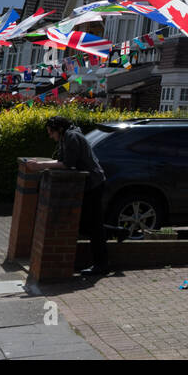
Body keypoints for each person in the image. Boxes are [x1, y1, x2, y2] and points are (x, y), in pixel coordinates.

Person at [45, 115, 122, 276]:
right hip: (90, 184)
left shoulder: (72, 137)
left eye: (51, 133)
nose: (50, 136)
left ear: (59, 129)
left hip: (93, 184)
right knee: (87, 222)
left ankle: (101, 264)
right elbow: (61, 159)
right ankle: (116, 232)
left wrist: (39, 166)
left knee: (92, 225)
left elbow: (68, 164)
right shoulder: (67, 136)